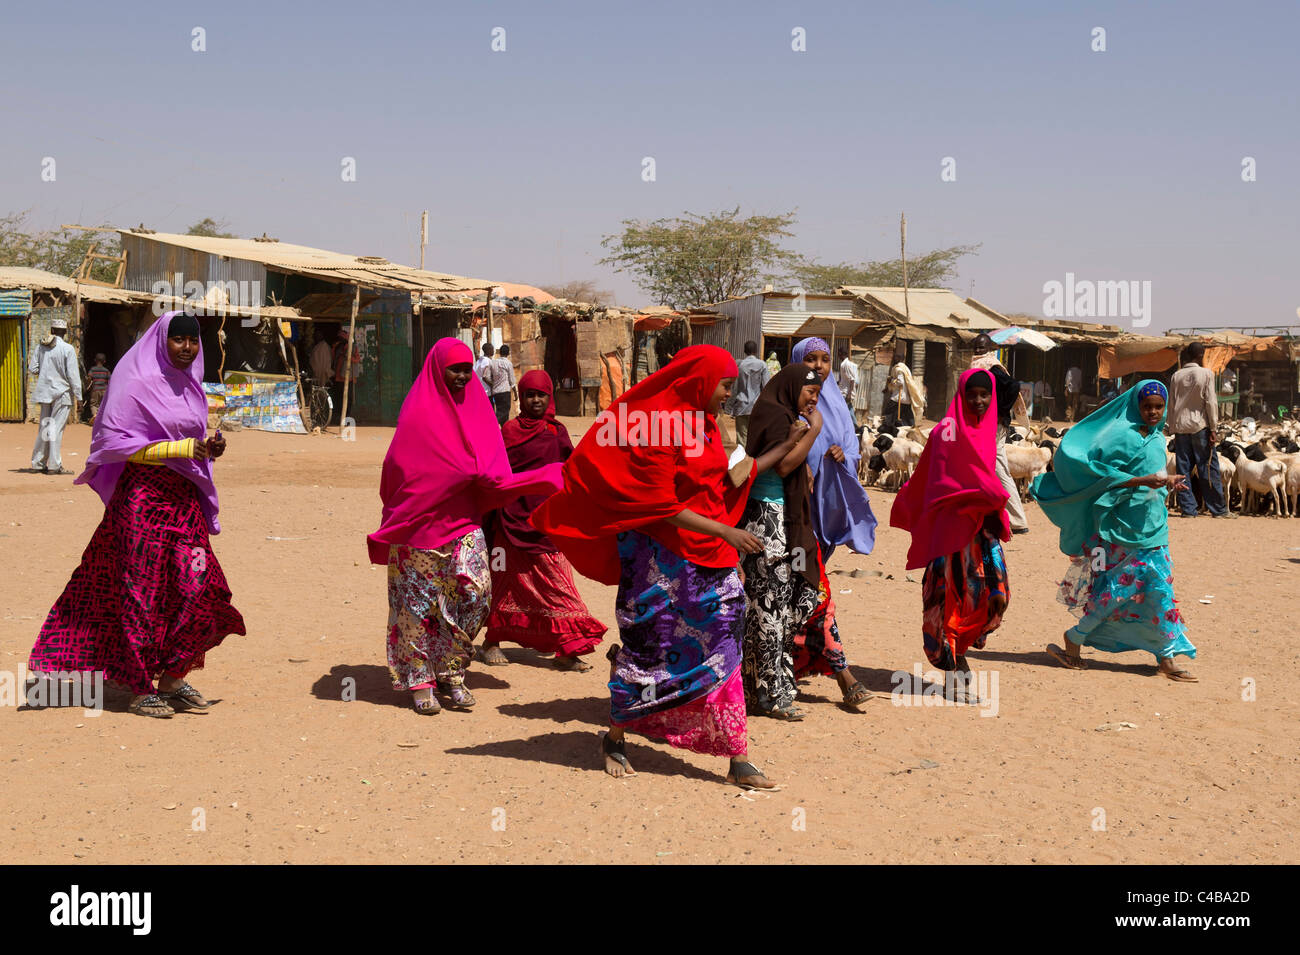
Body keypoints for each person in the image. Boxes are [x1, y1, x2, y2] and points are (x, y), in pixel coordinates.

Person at [532, 345, 804, 789]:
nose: (728, 395)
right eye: (725, 386)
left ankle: (738, 755)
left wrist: (784, 447)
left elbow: (725, 480)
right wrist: (726, 532)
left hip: (708, 556)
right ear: (699, 380)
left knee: (725, 642)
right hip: (659, 562)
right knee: (650, 647)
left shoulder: (706, 424)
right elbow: (658, 506)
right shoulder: (658, 427)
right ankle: (616, 735)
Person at [28, 312, 245, 718]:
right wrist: (176, 450)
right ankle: (140, 685)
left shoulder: (190, 385)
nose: (187, 348)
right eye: (178, 340)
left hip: (183, 504)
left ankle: (174, 677)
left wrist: (205, 449)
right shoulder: (135, 383)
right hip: (141, 503)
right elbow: (112, 444)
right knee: (140, 593)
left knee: (199, 585)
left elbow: (189, 438)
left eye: (193, 341)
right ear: (161, 341)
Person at [368, 339, 563, 715]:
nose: (461, 376)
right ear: (438, 370)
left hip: (463, 525)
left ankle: (450, 666)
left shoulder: (479, 410)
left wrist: (544, 478)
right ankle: (421, 679)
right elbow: (398, 471)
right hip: (418, 528)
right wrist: (448, 477)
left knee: (475, 596)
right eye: (454, 369)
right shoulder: (418, 413)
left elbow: (493, 474)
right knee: (417, 607)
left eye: (466, 368)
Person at [1033, 381, 1198, 682]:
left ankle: (1167, 655)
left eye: (1158, 407)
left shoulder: (1160, 439)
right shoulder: (1121, 437)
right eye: (1147, 406)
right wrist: (1142, 481)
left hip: (1154, 526)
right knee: (1117, 591)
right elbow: (1105, 475)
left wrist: (1167, 482)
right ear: (1136, 406)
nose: (1152, 411)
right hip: (1122, 529)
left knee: (1161, 591)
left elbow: (1155, 476)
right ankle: (1076, 636)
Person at [890, 369, 1011, 696]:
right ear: (961, 394)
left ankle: (961, 657)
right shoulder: (946, 431)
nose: (978, 400)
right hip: (950, 533)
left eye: (984, 394)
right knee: (950, 600)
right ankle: (957, 667)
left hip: (982, 531)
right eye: (971, 394)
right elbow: (937, 480)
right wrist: (973, 493)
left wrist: (988, 498)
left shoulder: (988, 429)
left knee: (994, 597)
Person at [480, 370, 607, 670]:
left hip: (547, 522)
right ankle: (491, 641)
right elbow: (495, 472)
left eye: (541, 395)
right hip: (510, 521)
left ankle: (567, 648)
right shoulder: (508, 431)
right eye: (529, 395)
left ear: (550, 397)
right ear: (520, 398)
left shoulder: (557, 432)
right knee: (503, 582)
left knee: (558, 583)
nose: (535, 400)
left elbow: (571, 471)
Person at [790, 337, 876, 707]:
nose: (820, 366)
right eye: (811, 358)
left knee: (800, 593)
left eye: (826, 359)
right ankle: (844, 676)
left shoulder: (838, 404)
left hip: (827, 518)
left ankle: (778, 669)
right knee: (814, 592)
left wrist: (844, 455)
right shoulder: (788, 404)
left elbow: (853, 448)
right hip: (795, 520)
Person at [739, 363, 825, 720]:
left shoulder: (789, 413)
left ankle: (770, 690)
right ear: (792, 388)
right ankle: (771, 695)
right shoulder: (776, 415)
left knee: (787, 606)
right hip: (767, 521)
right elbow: (785, 466)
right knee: (770, 610)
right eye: (809, 394)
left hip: (787, 524)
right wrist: (813, 431)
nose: (813, 402)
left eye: (818, 396)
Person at [971, 333, 1029, 534]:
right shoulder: (981, 366)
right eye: (976, 348)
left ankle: (1015, 519)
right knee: (994, 467)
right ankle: (1012, 518)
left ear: (989, 348)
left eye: (981, 348)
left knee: (997, 468)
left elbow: (1013, 386)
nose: (978, 351)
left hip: (994, 425)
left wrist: (999, 410)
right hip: (987, 424)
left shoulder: (992, 367)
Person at [1170, 342, 1233, 519]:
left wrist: (1173, 427)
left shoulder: (1177, 375)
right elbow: (1211, 402)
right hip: (1200, 427)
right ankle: (1219, 510)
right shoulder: (1206, 374)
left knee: (1183, 469)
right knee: (1207, 468)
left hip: (1181, 428)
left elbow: (1172, 404)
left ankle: (1188, 509)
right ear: (1200, 356)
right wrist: (1213, 428)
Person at [28, 317, 82, 475]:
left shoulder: (41, 347)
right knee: (56, 429)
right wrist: (79, 397)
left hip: (45, 393)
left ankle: (38, 463)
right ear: (65, 332)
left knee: (45, 427)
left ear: (52, 331)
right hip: (62, 393)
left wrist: (46, 373)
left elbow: (32, 368)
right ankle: (54, 465)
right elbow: (73, 376)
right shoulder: (68, 349)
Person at [724, 339, 770, 446]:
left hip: (741, 406)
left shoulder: (740, 365)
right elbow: (766, 387)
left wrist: (729, 408)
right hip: (757, 408)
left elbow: (734, 388)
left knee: (741, 439)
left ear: (745, 351)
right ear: (756, 351)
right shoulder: (762, 365)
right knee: (754, 437)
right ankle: (753, 461)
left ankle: (742, 461)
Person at [883, 347, 924, 431]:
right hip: (906, 398)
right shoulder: (906, 368)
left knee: (889, 413)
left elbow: (900, 382)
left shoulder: (899, 369)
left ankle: (887, 429)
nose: (894, 358)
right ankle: (912, 430)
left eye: (895, 357)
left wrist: (891, 380)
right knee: (907, 417)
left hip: (898, 397)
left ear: (899, 358)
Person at [332, 329, 360, 424]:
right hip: (339, 377)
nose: (341, 340)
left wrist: (349, 358)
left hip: (349, 377)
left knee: (349, 399)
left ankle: (347, 418)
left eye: (343, 338)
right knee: (339, 398)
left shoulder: (353, 347)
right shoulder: (337, 347)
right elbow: (333, 359)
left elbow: (357, 359)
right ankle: (340, 418)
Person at [488, 344, 517, 425]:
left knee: (503, 413)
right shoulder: (508, 363)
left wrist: (493, 385)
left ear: (500, 352)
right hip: (505, 392)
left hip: (495, 392)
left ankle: (504, 433)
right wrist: (515, 393)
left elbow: (486, 376)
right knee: (503, 413)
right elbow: (512, 380)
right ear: (508, 353)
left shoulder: (493, 363)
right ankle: (491, 426)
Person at [87, 353, 111, 420]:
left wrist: (88, 385)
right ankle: (102, 418)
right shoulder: (106, 371)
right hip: (104, 390)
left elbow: (89, 377)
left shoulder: (93, 369)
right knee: (103, 404)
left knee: (94, 404)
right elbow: (110, 381)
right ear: (104, 361)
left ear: (95, 360)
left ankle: (95, 415)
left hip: (95, 390)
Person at [836, 346, 859, 410]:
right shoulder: (843, 364)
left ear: (841, 353)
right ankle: (853, 420)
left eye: (838, 353)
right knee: (849, 411)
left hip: (845, 393)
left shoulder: (846, 364)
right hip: (843, 391)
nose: (837, 355)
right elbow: (845, 379)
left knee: (843, 410)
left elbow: (852, 379)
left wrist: (849, 394)